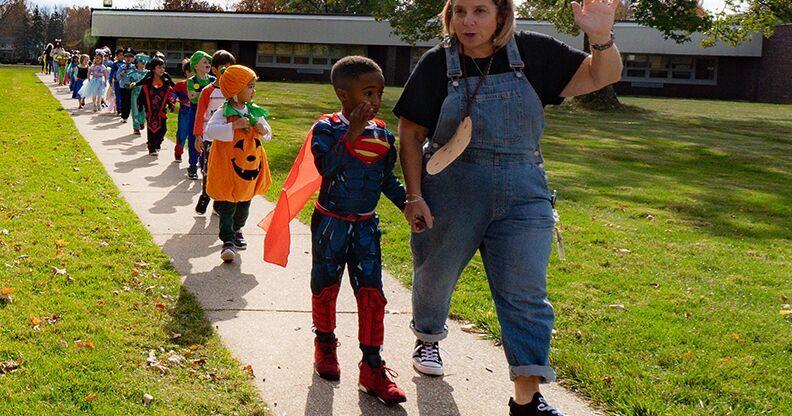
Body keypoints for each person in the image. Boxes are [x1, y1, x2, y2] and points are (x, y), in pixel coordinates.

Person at [393, 0, 623, 414]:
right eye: (460, 11)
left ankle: (527, 399)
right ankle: (427, 337)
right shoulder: (436, 63)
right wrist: (414, 195)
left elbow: (601, 75)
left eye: (480, 11)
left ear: (502, 14)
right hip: (451, 186)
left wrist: (601, 37)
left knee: (526, 294)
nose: (467, 21)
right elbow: (410, 133)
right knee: (435, 274)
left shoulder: (533, 51)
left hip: (523, 190)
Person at [261, 56, 408, 406]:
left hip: (366, 226)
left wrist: (408, 204)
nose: (376, 101)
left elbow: (386, 179)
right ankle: (325, 345)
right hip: (331, 224)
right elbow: (327, 167)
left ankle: (372, 366)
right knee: (326, 286)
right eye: (368, 93)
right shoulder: (327, 128)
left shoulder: (383, 133)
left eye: (380, 93)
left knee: (372, 293)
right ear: (344, 94)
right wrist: (352, 132)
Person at [204, 65, 272, 263]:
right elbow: (211, 130)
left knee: (244, 203)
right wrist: (233, 125)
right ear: (235, 89)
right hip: (228, 168)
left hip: (249, 168)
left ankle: (238, 229)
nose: (253, 91)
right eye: (250, 87)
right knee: (227, 205)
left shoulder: (254, 111)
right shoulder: (223, 112)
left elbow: (267, 134)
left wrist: (263, 129)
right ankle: (227, 240)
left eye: (253, 86)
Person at [193, 50, 236, 215]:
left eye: (231, 68)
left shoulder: (234, 91)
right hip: (210, 137)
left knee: (225, 171)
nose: (227, 72)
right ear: (214, 70)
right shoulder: (208, 91)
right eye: (224, 68)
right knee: (209, 169)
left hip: (228, 138)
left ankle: (219, 202)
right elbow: (199, 114)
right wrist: (198, 136)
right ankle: (205, 194)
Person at [186, 51, 215, 180]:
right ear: (196, 66)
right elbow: (191, 97)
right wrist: (206, 95)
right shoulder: (191, 81)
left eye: (209, 62)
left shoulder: (213, 80)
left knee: (207, 138)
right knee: (194, 138)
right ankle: (192, 165)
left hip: (209, 113)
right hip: (195, 112)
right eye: (204, 62)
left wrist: (200, 95)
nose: (208, 64)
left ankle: (204, 163)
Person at [137, 57, 175, 156]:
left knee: (163, 129)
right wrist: (140, 104)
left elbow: (169, 94)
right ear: (153, 69)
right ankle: (151, 148)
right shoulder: (148, 81)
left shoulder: (166, 82)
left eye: (163, 67)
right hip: (150, 111)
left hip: (161, 111)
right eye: (159, 67)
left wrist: (171, 103)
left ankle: (158, 143)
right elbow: (142, 94)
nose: (162, 69)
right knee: (151, 129)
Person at [172, 59, 193, 163]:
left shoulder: (202, 86)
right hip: (184, 113)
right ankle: (178, 152)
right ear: (187, 72)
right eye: (192, 72)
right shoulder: (180, 85)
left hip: (198, 114)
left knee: (196, 135)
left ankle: (195, 157)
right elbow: (173, 94)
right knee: (182, 133)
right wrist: (172, 99)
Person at [128, 54, 151, 135]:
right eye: (141, 61)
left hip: (145, 95)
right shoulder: (132, 73)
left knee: (144, 110)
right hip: (135, 94)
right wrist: (130, 84)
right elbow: (126, 83)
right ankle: (136, 127)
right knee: (135, 110)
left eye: (145, 61)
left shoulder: (148, 73)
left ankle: (141, 121)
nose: (143, 63)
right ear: (137, 63)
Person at [116, 48, 136, 123]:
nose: (128, 58)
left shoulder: (134, 67)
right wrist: (123, 73)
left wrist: (132, 74)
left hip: (132, 87)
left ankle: (130, 114)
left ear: (133, 58)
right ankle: (124, 117)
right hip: (123, 87)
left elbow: (137, 77)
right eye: (126, 56)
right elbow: (117, 78)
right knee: (124, 102)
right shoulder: (121, 67)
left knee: (130, 102)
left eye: (130, 57)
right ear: (124, 58)